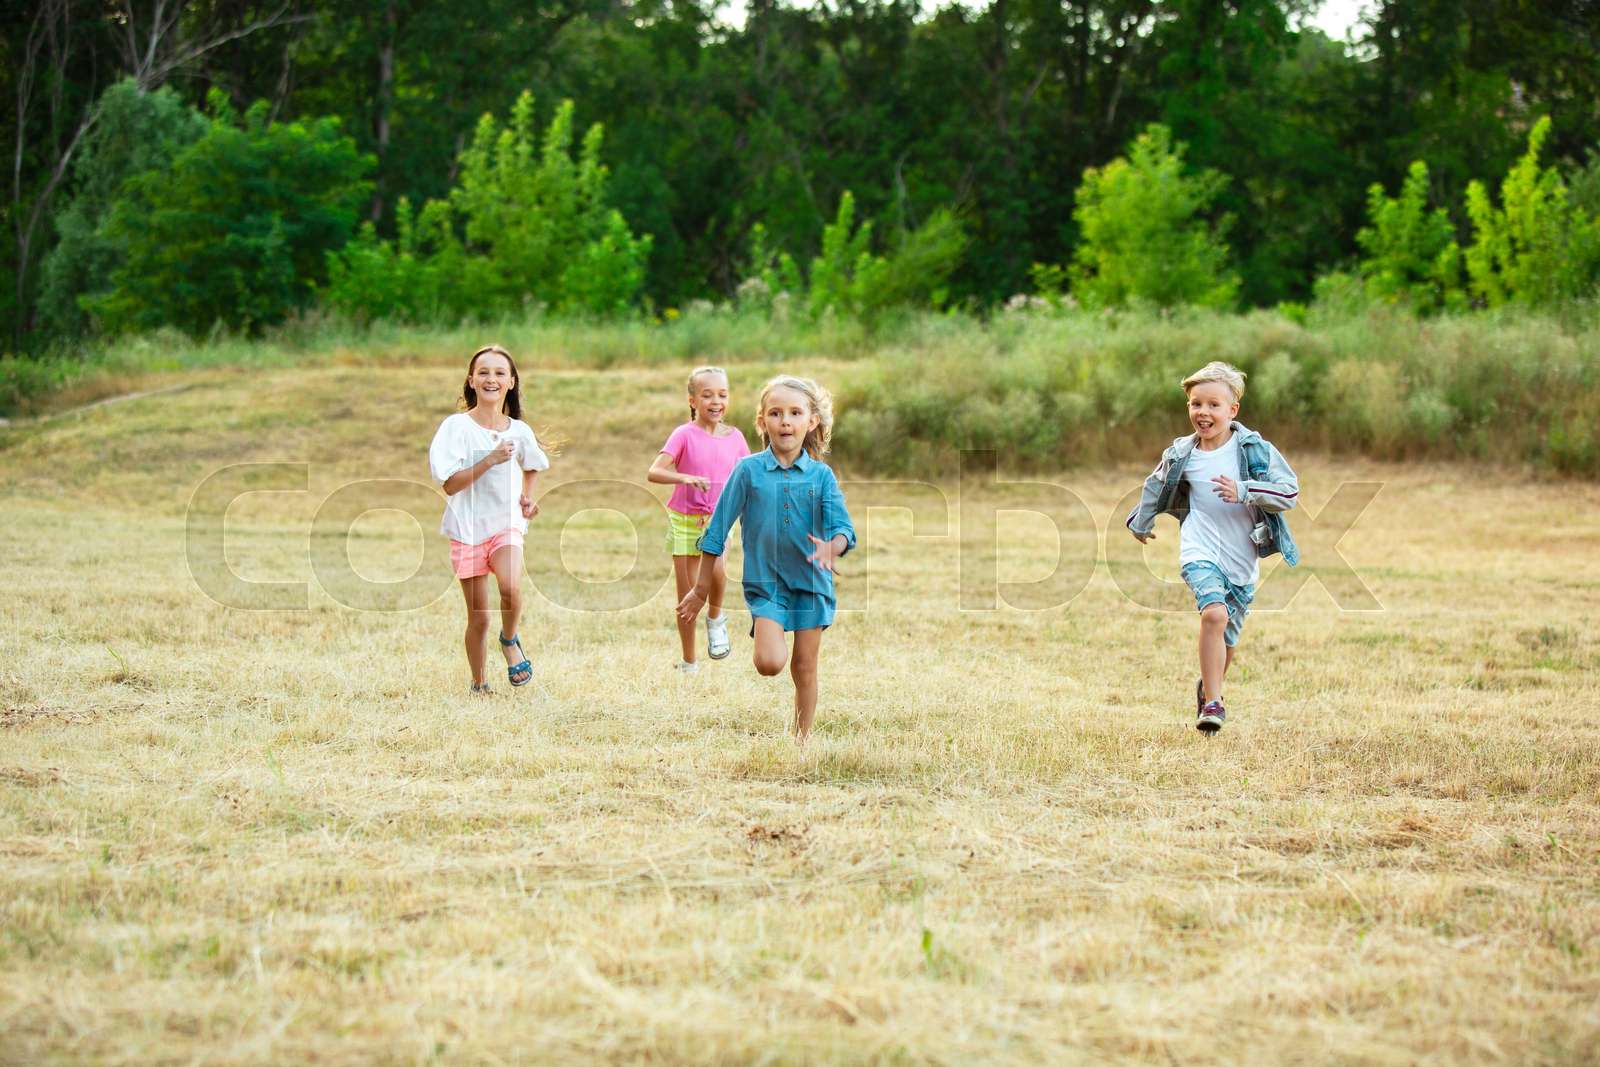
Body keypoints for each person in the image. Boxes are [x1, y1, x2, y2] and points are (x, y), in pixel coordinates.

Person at [678, 375, 856, 743]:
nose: (785, 421)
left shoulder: (821, 476)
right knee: (769, 664)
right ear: (762, 422)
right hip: (767, 586)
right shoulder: (748, 471)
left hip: (811, 585)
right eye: (775, 413)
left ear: (812, 421)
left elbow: (843, 529)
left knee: (805, 667)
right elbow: (716, 532)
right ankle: (766, 625)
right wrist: (700, 589)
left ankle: (801, 742)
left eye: (795, 413)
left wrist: (832, 547)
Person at [1125, 361, 1299, 733]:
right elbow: (1154, 485)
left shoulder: (1253, 450)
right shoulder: (1181, 453)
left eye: (1213, 405)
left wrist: (1245, 490)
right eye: (1195, 404)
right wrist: (1141, 520)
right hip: (1199, 549)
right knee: (1213, 615)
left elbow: (1289, 492)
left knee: (1229, 638)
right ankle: (1216, 705)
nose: (1203, 412)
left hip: (1243, 559)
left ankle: (1209, 687)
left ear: (1232, 410)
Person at [428, 344, 550, 694]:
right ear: (471, 380)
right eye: (483, 372)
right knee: (478, 618)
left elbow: (533, 465)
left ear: (511, 382)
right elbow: (450, 485)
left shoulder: (519, 431)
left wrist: (528, 498)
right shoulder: (456, 428)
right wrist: (489, 460)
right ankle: (479, 685)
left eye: (499, 373)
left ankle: (510, 640)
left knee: (511, 586)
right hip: (466, 530)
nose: (491, 378)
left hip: (506, 525)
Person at [647, 366, 751, 672]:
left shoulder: (735, 437)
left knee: (717, 570)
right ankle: (689, 661)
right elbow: (654, 471)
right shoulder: (684, 434)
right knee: (688, 594)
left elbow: (748, 474)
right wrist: (685, 478)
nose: (716, 401)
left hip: (720, 518)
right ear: (693, 400)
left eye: (722, 394)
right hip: (684, 519)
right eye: (707, 395)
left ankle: (716, 619)